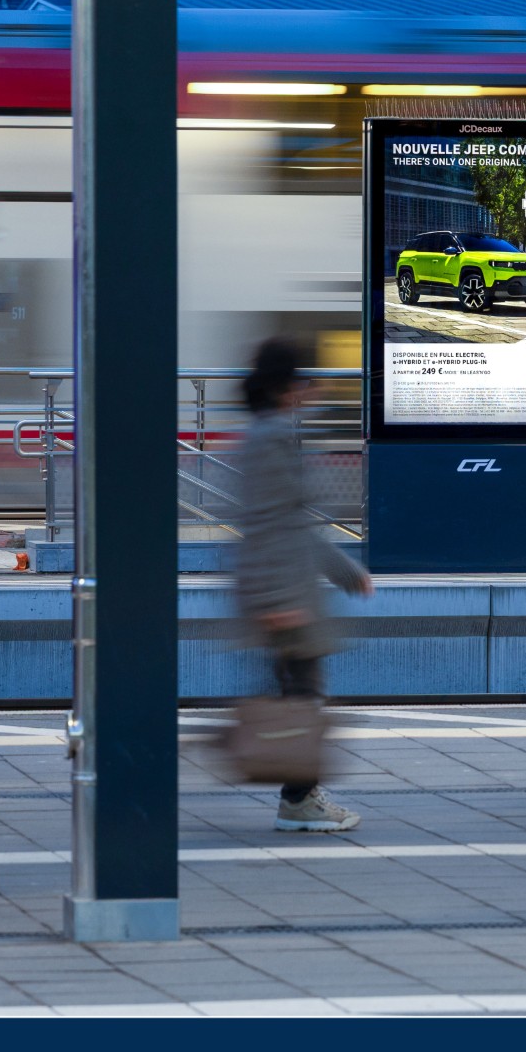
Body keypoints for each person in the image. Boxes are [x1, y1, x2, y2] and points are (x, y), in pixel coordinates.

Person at [234, 336, 375, 832]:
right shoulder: (269, 438)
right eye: (302, 379)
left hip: (289, 590)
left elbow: (292, 524)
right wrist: (275, 600)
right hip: (285, 595)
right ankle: (298, 800)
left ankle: (301, 794)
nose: (310, 388)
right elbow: (269, 524)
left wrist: (346, 573)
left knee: (300, 695)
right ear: (283, 387)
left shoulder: (271, 433)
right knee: (301, 699)